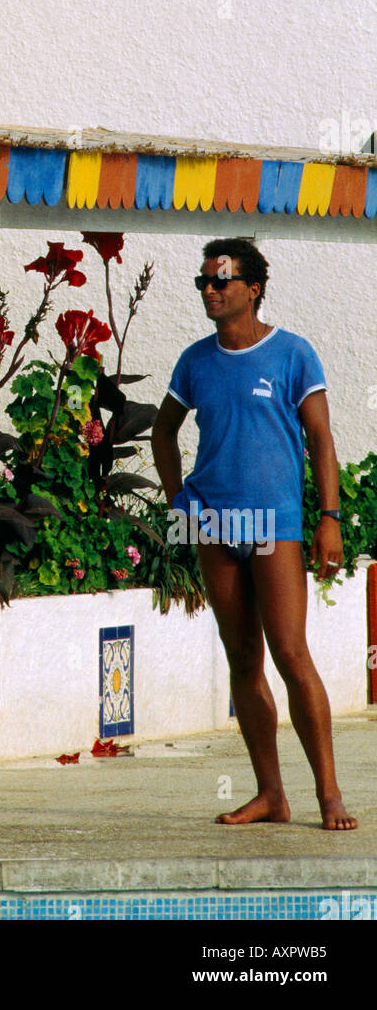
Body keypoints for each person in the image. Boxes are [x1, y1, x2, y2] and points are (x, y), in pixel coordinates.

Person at [151, 239, 357, 831]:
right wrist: (178, 501)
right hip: (213, 524)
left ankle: (329, 795)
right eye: (203, 283)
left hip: (275, 528)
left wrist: (329, 518)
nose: (210, 291)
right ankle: (271, 794)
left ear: (253, 288)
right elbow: (164, 433)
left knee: (291, 653)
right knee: (243, 656)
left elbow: (320, 441)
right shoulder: (194, 361)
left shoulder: (293, 354)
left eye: (221, 281)